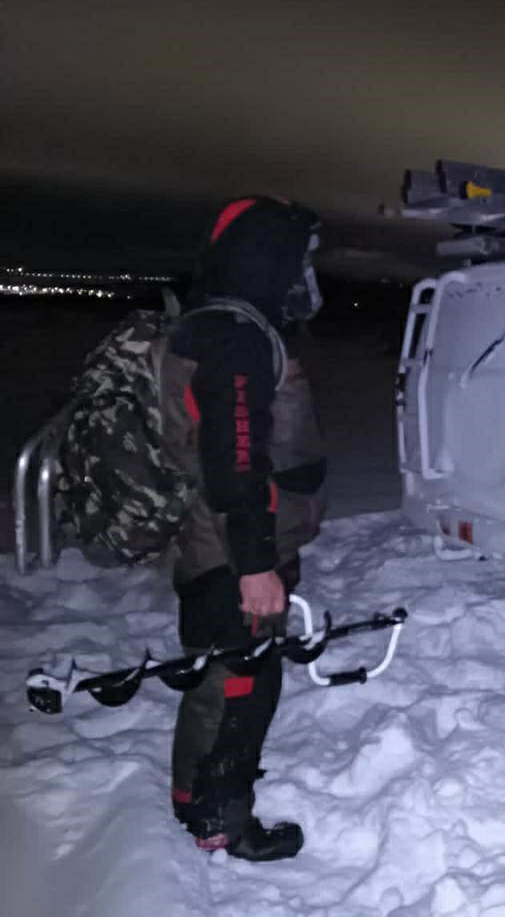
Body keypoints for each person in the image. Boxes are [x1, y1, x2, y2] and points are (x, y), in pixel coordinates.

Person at [159, 196, 328, 860]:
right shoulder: (233, 334)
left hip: (216, 535)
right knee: (243, 684)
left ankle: (190, 800)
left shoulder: (219, 320)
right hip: (232, 545)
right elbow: (233, 457)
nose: (304, 275)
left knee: (216, 676)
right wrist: (255, 564)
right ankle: (222, 823)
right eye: (297, 260)